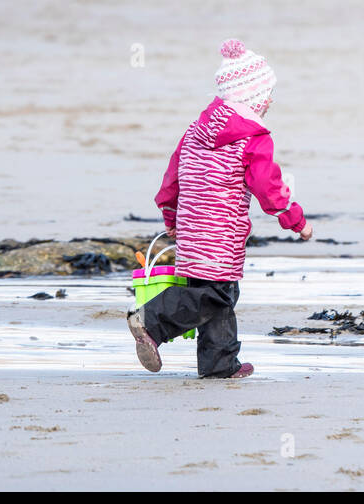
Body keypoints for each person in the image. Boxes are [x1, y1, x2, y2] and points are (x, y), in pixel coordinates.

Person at [127, 39, 312, 378]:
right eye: (267, 93)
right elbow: (267, 188)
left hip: (191, 229)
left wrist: (171, 216)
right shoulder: (254, 138)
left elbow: (172, 177)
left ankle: (220, 366)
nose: (270, 100)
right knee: (215, 294)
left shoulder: (195, 131)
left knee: (216, 292)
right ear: (252, 97)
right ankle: (151, 321)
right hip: (221, 234)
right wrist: (295, 220)